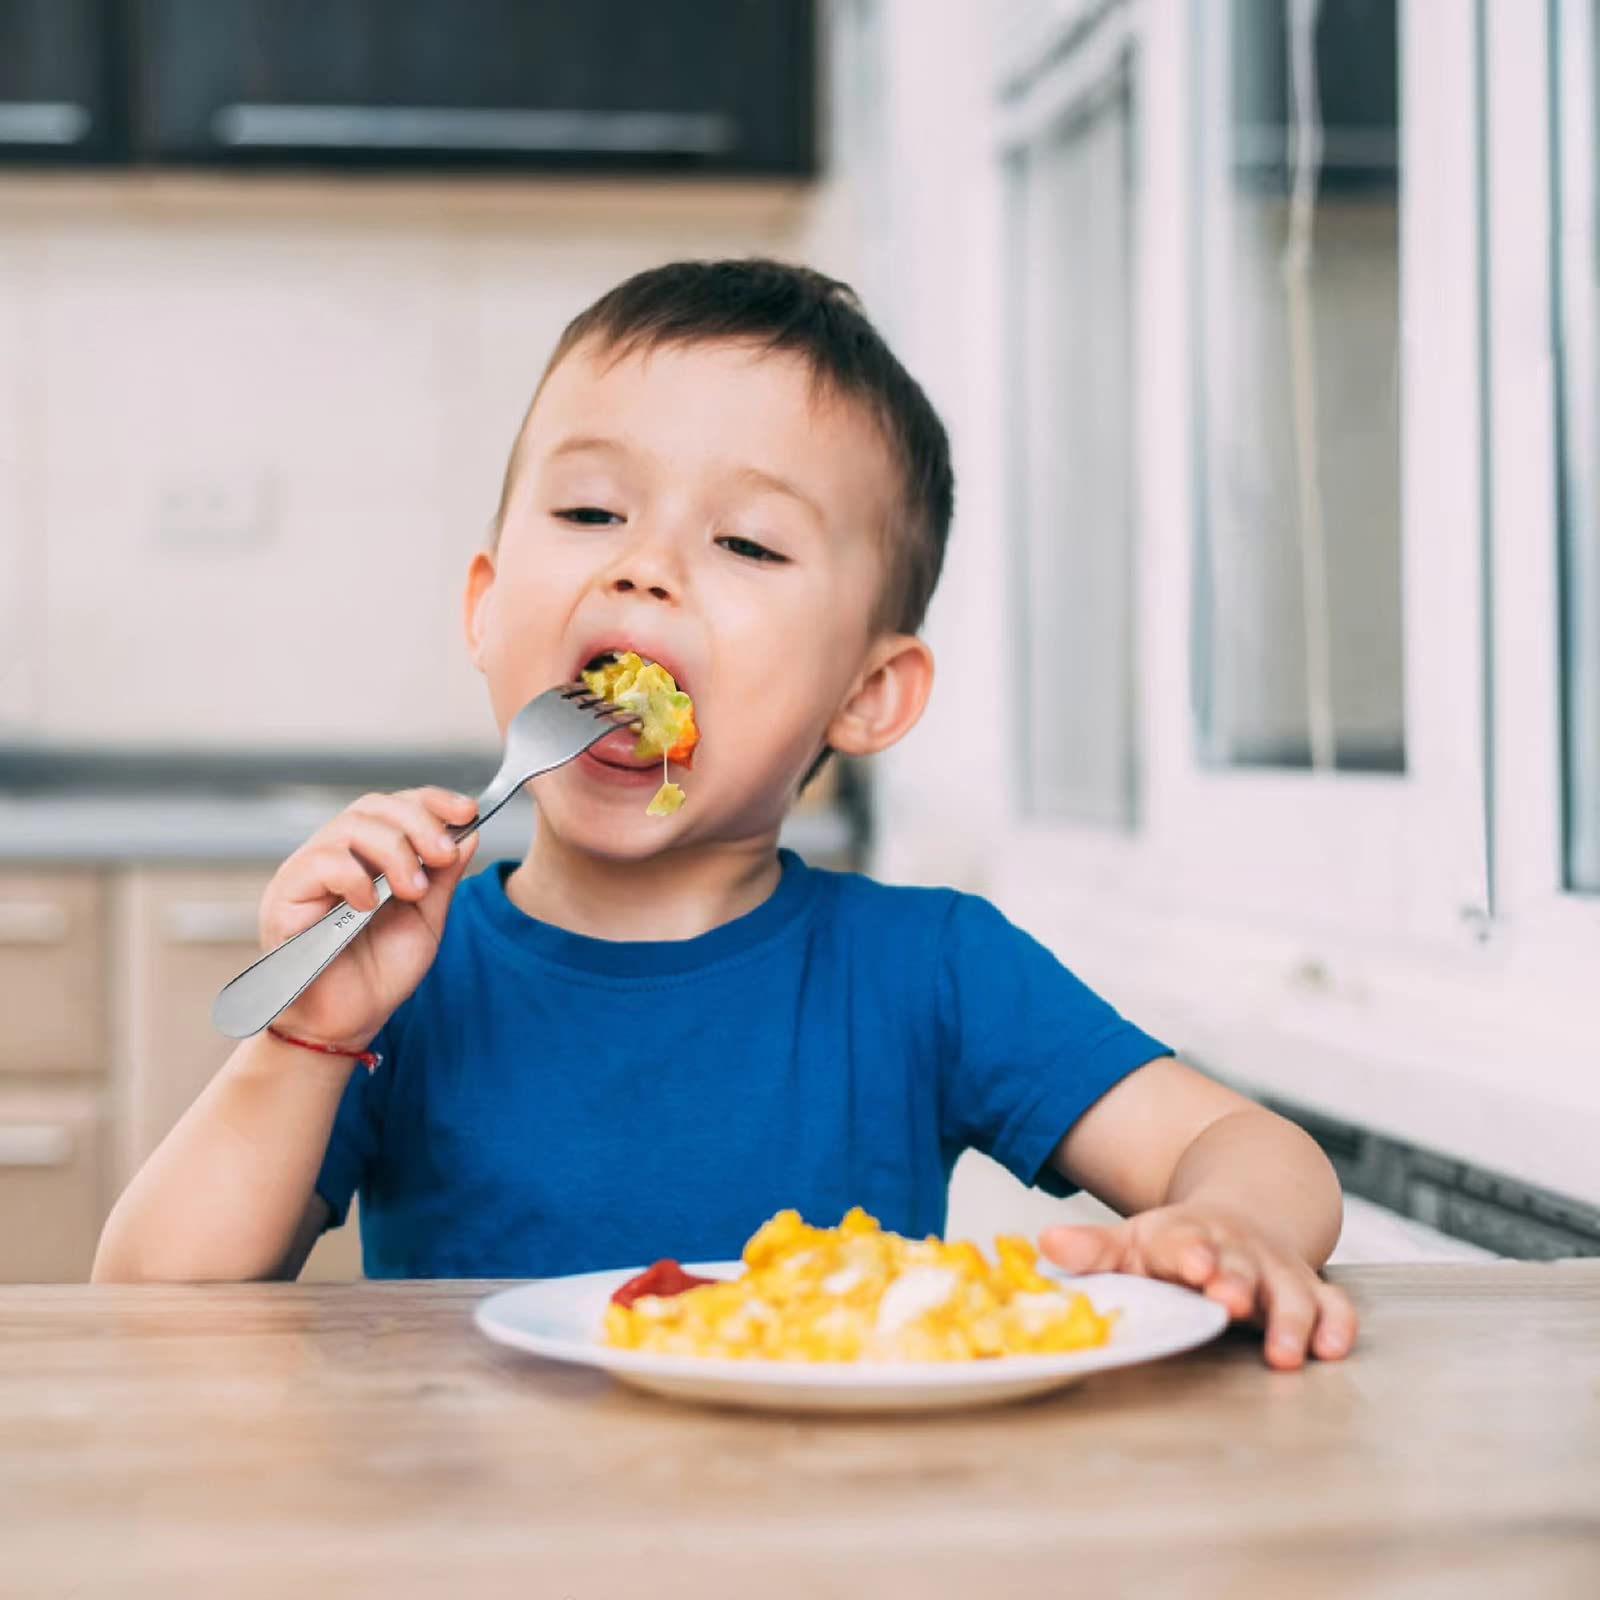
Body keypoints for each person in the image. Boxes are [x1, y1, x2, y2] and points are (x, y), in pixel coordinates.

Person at [94, 259, 1356, 1370]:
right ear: (484, 607)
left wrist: (1227, 1229)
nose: (642, 565)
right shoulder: (401, 984)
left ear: (865, 694)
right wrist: (302, 1038)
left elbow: (1253, 1149)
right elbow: (146, 1310)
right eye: (591, 510)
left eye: (747, 543)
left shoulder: (930, 971)